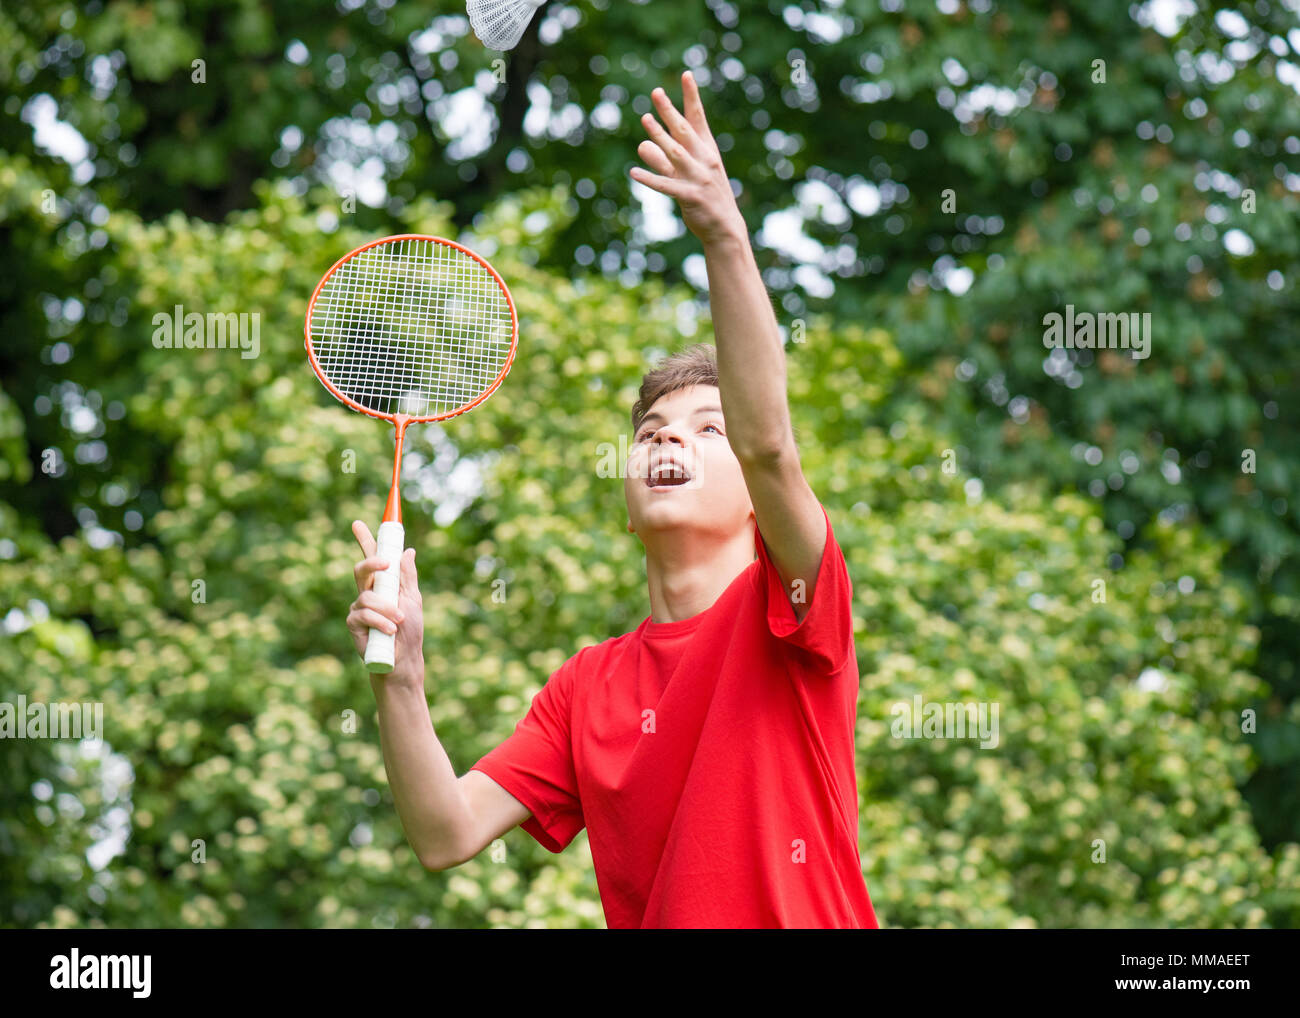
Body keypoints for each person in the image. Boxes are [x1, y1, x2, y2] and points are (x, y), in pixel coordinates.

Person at [346, 71, 877, 929]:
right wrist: (400, 678)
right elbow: (445, 832)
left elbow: (772, 443)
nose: (671, 441)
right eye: (653, 431)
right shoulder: (588, 688)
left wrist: (723, 235)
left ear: (757, 497)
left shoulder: (796, 609)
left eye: (710, 431)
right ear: (627, 504)